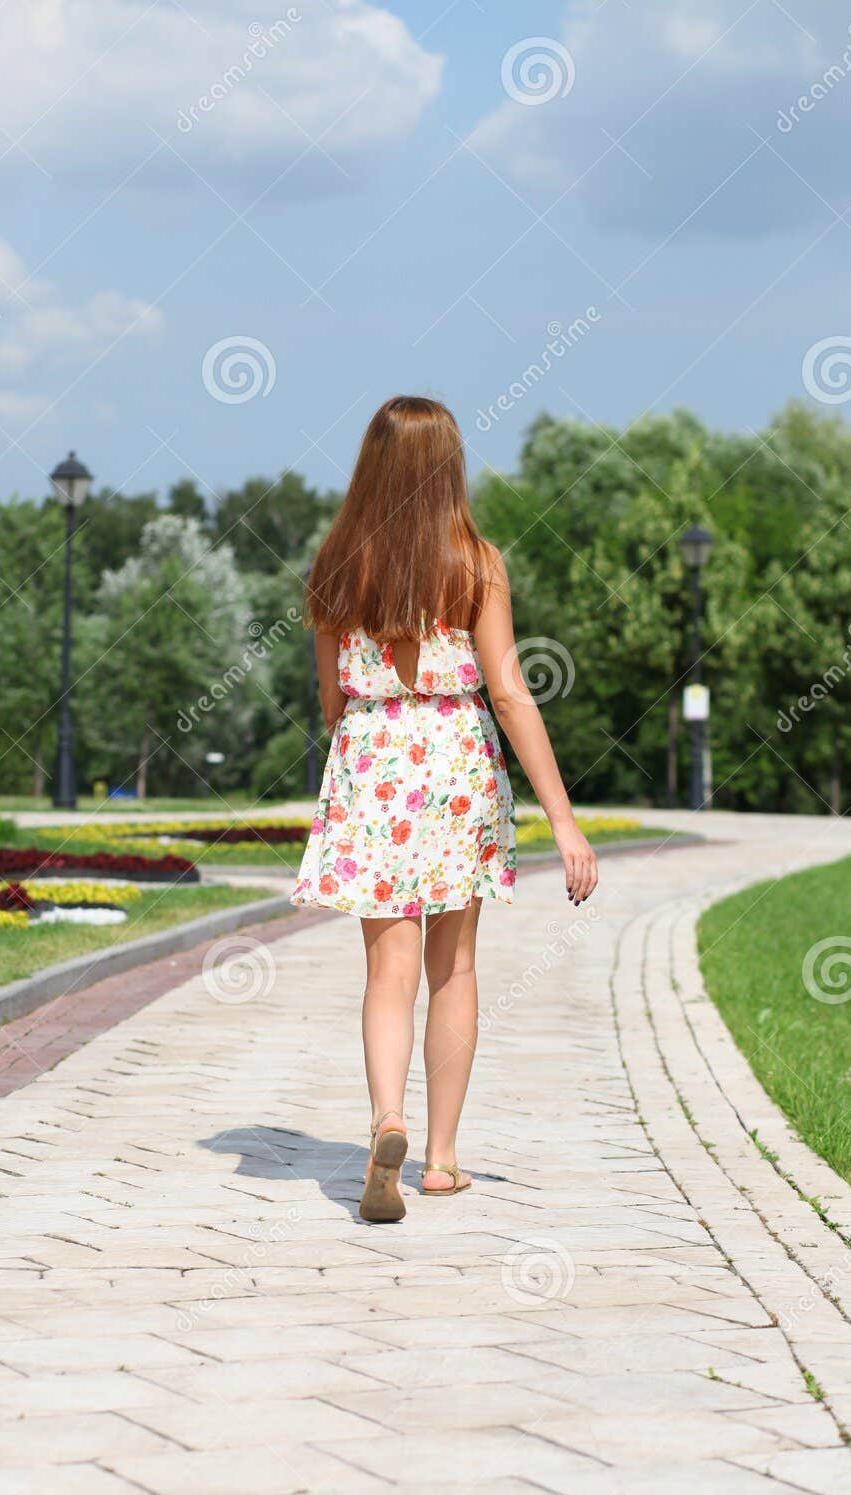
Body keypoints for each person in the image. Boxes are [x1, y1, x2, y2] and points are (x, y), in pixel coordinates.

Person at [292, 396, 597, 1221]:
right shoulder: (475, 562)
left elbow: (328, 699)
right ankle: (440, 1160)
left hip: (372, 759)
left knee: (385, 972)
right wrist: (561, 817)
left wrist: (368, 749)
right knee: (452, 969)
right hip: (456, 761)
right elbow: (508, 690)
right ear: (447, 466)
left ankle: (384, 1117)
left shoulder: (333, 565)